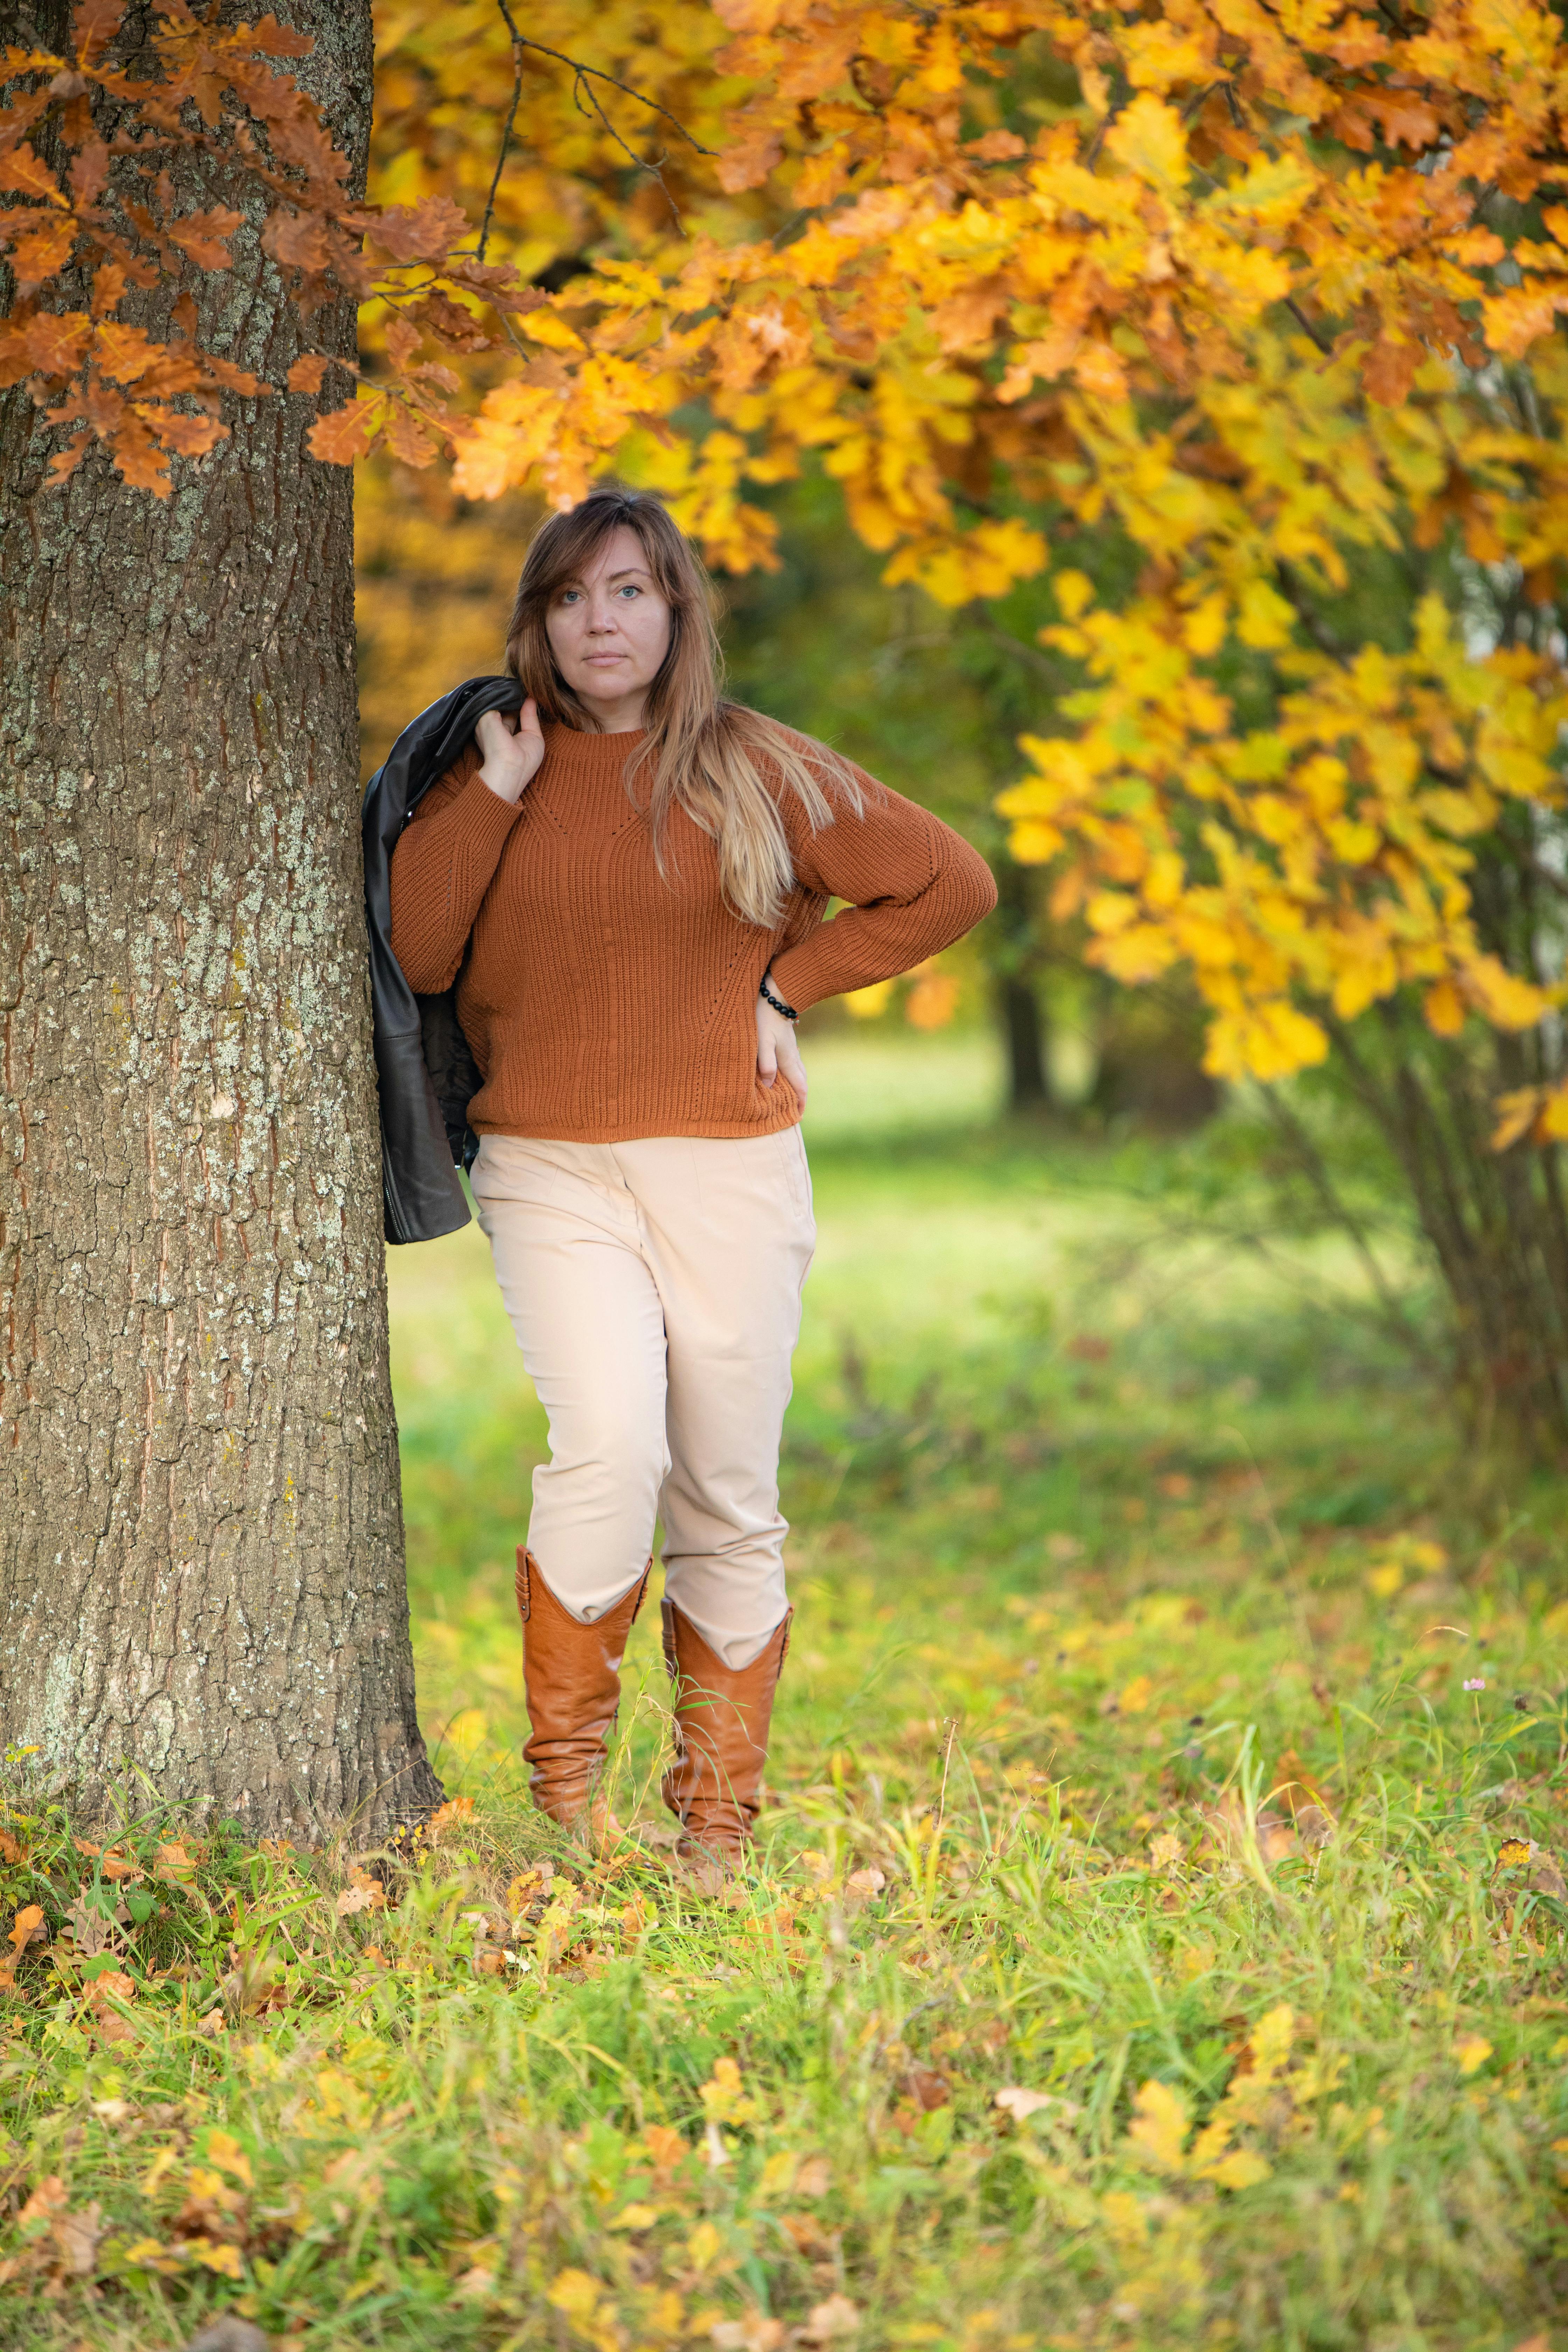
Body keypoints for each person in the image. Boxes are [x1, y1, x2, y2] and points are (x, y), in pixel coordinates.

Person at [388, 486, 996, 1870]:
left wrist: (792, 975)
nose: (600, 622)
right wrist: (491, 790)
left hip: (729, 1164)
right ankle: (563, 1819)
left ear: (676, 611)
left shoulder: (751, 762)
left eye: (629, 592)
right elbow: (420, 956)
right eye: (570, 596)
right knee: (608, 1448)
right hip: (549, 1167)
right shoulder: (493, 768)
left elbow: (947, 883)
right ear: (538, 618)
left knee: (724, 1488)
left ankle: (713, 1837)